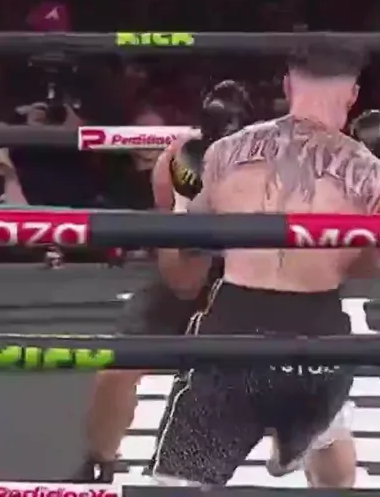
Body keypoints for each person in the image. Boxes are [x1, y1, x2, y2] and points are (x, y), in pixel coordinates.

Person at [147, 41, 380, 488]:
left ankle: (304, 429)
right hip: (319, 335)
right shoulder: (376, 174)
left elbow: (182, 280)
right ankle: (304, 431)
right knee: (325, 421)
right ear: (353, 95)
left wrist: (180, 202)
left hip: (234, 332)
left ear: (286, 86)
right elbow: (365, 270)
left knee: (178, 485)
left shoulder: (223, 153)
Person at [73, 81, 254, 482]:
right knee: (116, 369)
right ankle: (99, 463)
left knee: (299, 381)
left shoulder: (272, 167)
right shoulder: (177, 160)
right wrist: (192, 213)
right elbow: (181, 280)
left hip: (255, 279)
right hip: (191, 271)